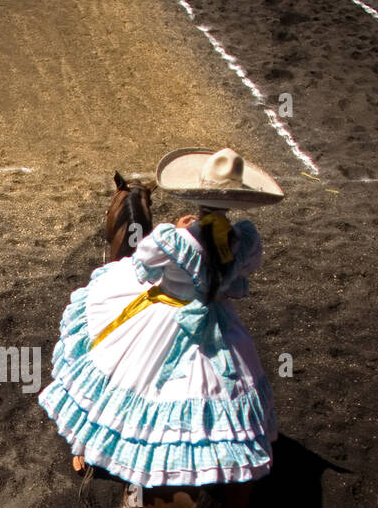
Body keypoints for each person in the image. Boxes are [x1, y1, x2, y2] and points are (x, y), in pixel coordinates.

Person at [37, 147, 283, 490]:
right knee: (217, 389)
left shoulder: (175, 239)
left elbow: (142, 268)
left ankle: (89, 447)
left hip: (166, 315)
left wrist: (181, 231)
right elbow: (235, 282)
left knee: (118, 373)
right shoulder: (243, 240)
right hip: (216, 319)